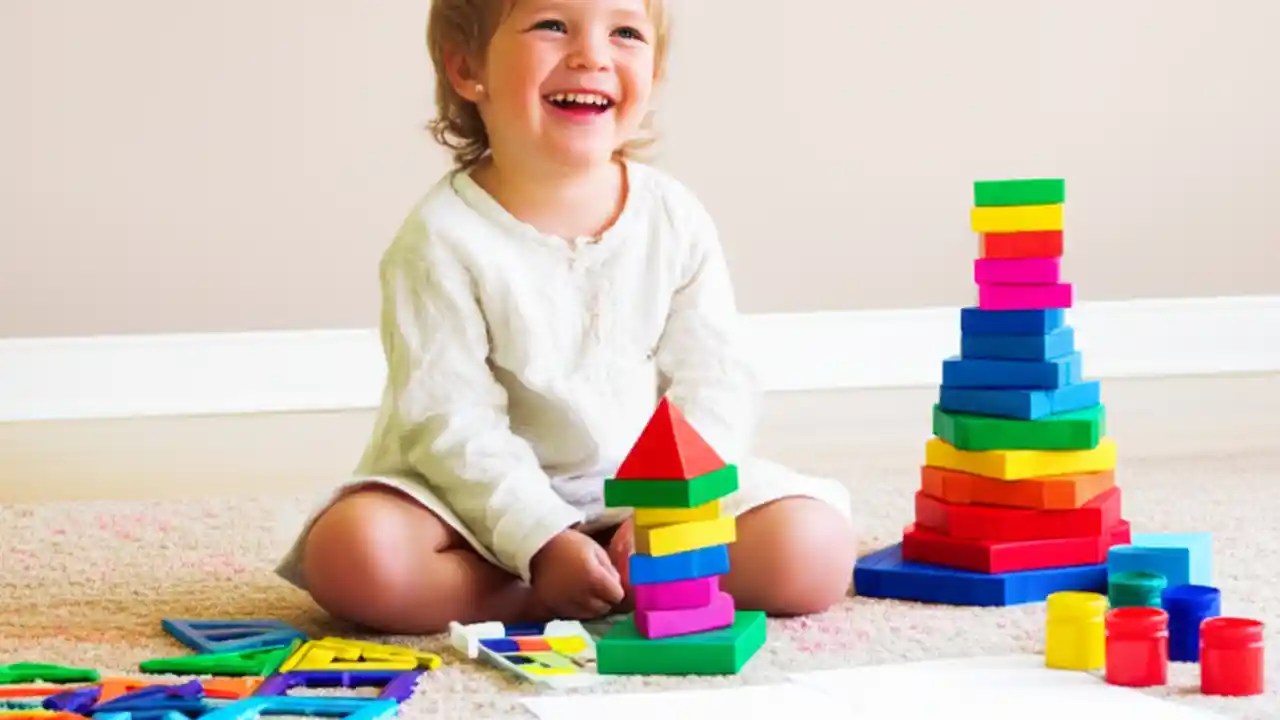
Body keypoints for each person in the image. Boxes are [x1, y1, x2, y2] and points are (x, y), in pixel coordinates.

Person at [275, 0, 856, 635]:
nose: (593, 55)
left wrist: (669, 506)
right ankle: (530, 596)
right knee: (356, 556)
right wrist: (541, 538)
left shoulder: (673, 217)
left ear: (654, 72)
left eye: (625, 32)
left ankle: (619, 579)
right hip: (470, 508)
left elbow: (717, 380)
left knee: (813, 549)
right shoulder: (439, 240)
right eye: (554, 25)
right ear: (469, 70)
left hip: (640, 499)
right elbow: (450, 421)